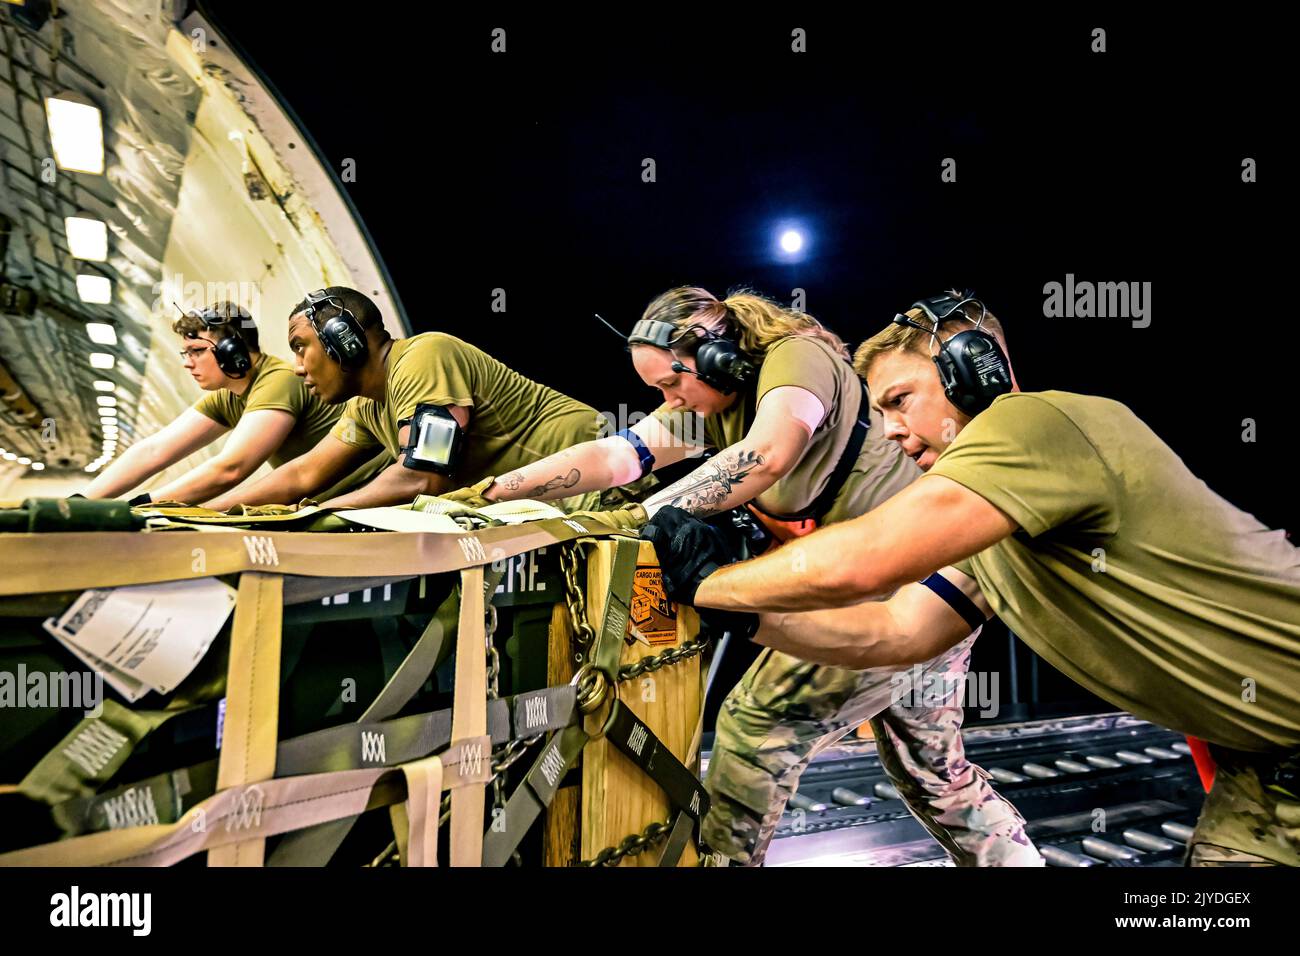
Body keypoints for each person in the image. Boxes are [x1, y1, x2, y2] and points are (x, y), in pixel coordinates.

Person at [645, 289, 1300, 866]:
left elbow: (863, 561)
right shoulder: (992, 528)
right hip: (1262, 770)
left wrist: (711, 578)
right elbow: (895, 630)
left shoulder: (1035, 422)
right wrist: (735, 606)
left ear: (974, 372)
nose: (894, 431)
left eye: (902, 400)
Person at [448, 285, 1040, 866]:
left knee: (756, 728)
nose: (670, 401)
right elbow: (618, 455)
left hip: (909, 583)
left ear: (715, 354)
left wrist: (638, 516)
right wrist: (498, 494)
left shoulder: (795, 358)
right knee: (938, 775)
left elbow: (768, 454)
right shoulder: (712, 402)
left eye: (672, 382)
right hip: (918, 578)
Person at [207, 287, 613, 512]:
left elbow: (424, 473)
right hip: (558, 507)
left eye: (301, 347)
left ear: (343, 342)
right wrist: (206, 514)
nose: (297, 367)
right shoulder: (366, 405)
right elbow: (302, 475)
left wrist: (319, 514)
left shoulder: (426, 356)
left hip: (599, 491)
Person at [85, 302, 349, 506]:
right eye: (185, 353)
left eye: (197, 351)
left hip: (362, 505)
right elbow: (154, 450)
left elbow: (230, 468)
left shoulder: (278, 380)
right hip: (330, 503)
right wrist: (81, 501)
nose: (187, 363)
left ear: (232, 351)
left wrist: (142, 506)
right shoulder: (230, 395)